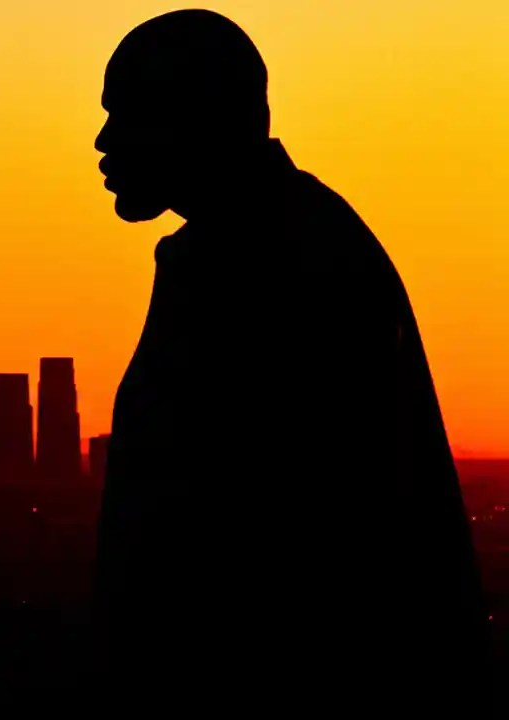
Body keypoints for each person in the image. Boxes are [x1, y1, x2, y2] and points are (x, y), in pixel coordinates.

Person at [92, 10, 488, 703]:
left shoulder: (263, 262)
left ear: (195, 117)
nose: (102, 141)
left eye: (127, 113)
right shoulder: (293, 239)